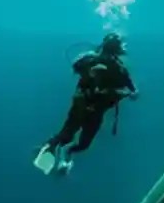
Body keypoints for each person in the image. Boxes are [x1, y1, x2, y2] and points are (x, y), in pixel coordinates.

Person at [41, 32, 138, 175]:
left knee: (77, 140)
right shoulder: (99, 62)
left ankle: (60, 150)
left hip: (91, 108)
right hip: (86, 106)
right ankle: (60, 151)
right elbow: (133, 90)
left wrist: (129, 93)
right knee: (74, 139)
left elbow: (133, 90)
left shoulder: (117, 68)